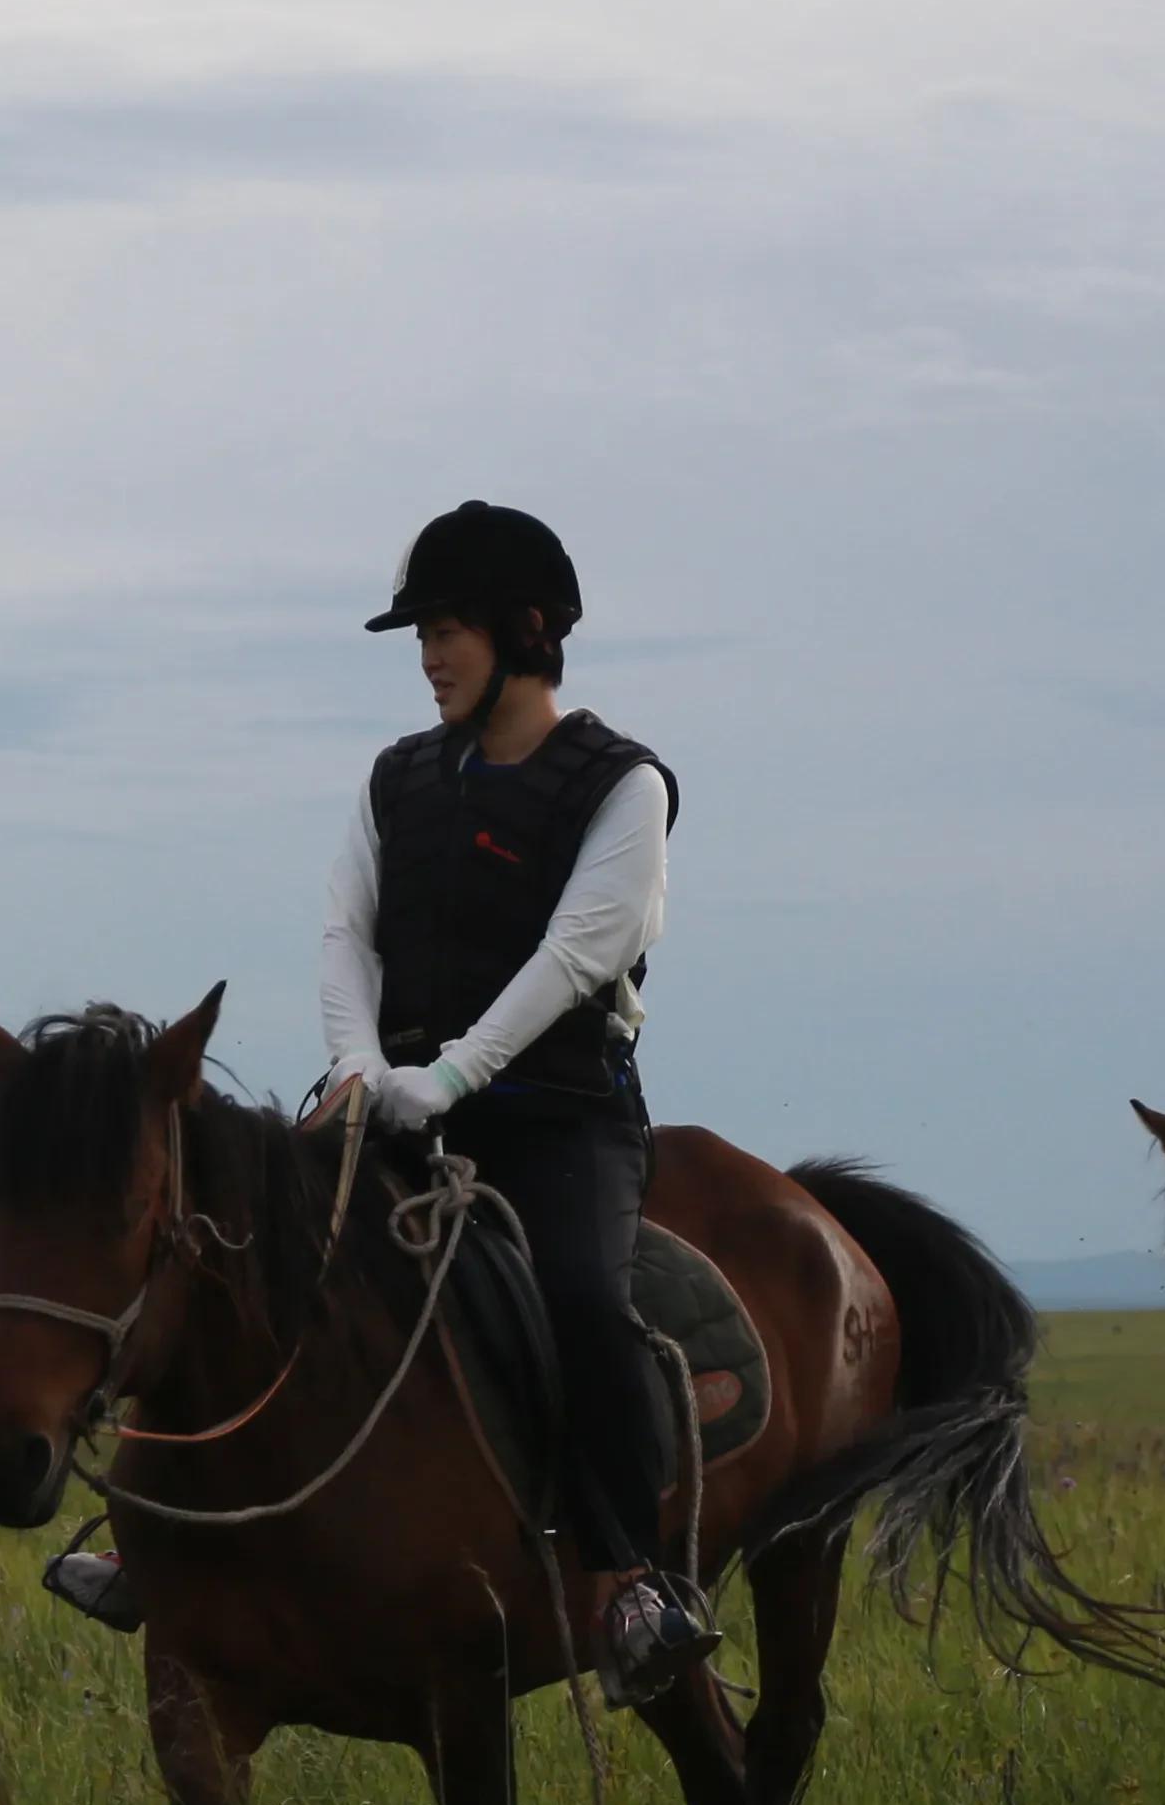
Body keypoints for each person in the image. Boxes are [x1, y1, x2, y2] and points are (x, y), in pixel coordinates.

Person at [43, 499, 714, 1705]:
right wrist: (362, 1072)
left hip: (559, 1113)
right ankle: (153, 1541)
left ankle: (630, 1584)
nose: (429, 656)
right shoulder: (396, 778)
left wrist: (450, 1078)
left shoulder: (625, 789)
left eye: (449, 629)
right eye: (423, 635)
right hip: (390, 1098)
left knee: (577, 1301)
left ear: (524, 629)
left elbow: (574, 957)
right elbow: (344, 932)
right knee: (229, 1255)